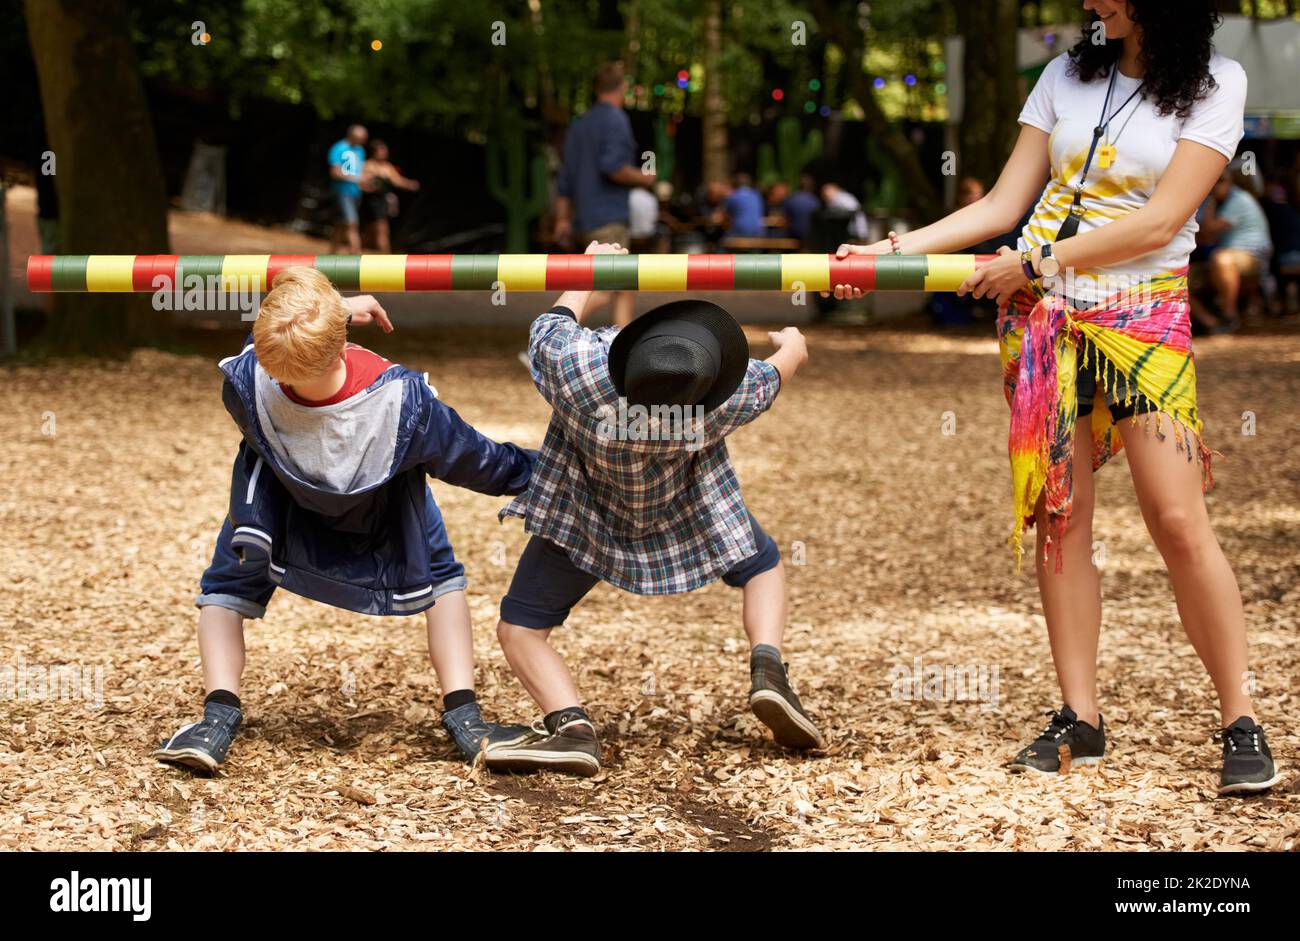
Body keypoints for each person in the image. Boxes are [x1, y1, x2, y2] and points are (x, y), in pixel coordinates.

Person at [830, 0, 1278, 795]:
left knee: (1177, 519)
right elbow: (1001, 207)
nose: (1090, 3)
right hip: (1043, 321)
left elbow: (1161, 221)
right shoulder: (1065, 76)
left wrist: (1036, 263)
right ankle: (1081, 717)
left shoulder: (1218, 82)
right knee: (1060, 518)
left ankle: (1241, 718)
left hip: (1142, 318)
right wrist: (887, 252)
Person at [155, 267, 535, 773]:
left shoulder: (245, 383)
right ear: (341, 346)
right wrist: (552, 470)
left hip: (277, 515)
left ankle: (216, 719)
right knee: (443, 581)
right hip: (383, 517)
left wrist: (331, 315)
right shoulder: (405, 402)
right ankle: (465, 717)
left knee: (227, 586)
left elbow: (262, 345)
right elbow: (482, 462)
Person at [483, 241, 823, 777]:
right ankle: (768, 668)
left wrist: (590, 269)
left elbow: (551, 326)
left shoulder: (579, 374)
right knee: (762, 566)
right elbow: (780, 369)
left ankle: (571, 728)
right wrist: (793, 342)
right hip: (687, 517)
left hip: (583, 522)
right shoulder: (726, 401)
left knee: (519, 629)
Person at [554, 62, 656, 328]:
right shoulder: (615, 119)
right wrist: (644, 178)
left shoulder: (579, 124)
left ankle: (623, 346)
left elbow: (564, 180)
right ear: (622, 88)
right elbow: (613, 167)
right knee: (603, 288)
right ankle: (551, 333)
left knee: (624, 285)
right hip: (608, 218)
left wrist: (562, 220)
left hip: (584, 218)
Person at [1195, 167, 1273, 328]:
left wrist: (1211, 200)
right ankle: (1212, 323)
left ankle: (1228, 315)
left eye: (1220, 181)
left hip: (1253, 254)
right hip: (1225, 257)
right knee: (1180, 278)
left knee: (1222, 259)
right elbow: (1202, 236)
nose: (1216, 186)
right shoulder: (1213, 202)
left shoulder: (1239, 199)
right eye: (1212, 182)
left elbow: (1208, 230)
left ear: (1231, 182)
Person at [360, 140, 420, 254]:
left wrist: (410, 184)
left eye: (385, 150)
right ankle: (386, 258)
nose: (384, 152)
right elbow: (361, 183)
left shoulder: (387, 166)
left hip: (382, 202)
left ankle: (357, 253)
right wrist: (370, 186)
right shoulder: (368, 165)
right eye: (381, 150)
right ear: (374, 152)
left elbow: (398, 180)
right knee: (382, 231)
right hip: (372, 202)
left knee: (372, 232)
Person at [327, 125, 368, 255]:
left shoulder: (360, 150)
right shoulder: (338, 148)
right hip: (342, 192)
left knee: (340, 225)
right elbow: (334, 172)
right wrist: (355, 179)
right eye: (360, 138)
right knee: (352, 223)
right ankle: (356, 256)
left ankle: (331, 256)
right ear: (351, 135)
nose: (362, 141)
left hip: (356, 192)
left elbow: (360, 171)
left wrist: (365, 182)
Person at [718, 173, 766, 238]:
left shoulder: (733, 196)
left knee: (722, 240)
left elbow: (724, 215)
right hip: (758, 231)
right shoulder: (756, 195)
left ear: (734, 185)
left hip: (740, 231)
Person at [782, 174, 822, 244]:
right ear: (811, 186)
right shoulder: (815, 200)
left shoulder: (791, 198)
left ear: (799, 185)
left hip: (794, 233)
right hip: (810, 235)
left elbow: (785, 218)